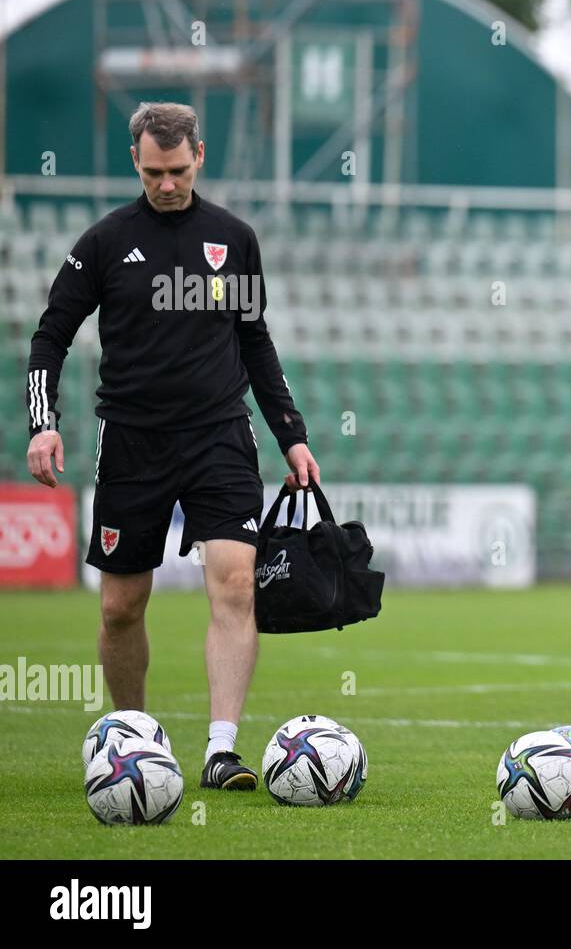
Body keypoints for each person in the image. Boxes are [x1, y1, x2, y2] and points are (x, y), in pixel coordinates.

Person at [25, 101, 320, 790]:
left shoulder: (233, 238)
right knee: (120, 606)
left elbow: (254, 339)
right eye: (155, 172)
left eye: (178, 170)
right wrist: (44, 420)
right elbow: (50, 337)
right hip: (131, 440)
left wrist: (292, 436)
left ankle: (222, 751)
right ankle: (133, 741)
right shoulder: (103, 243)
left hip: (219, 434)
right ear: (136, 161)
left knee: (236, 584)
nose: (166, 184)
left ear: (200, 157)